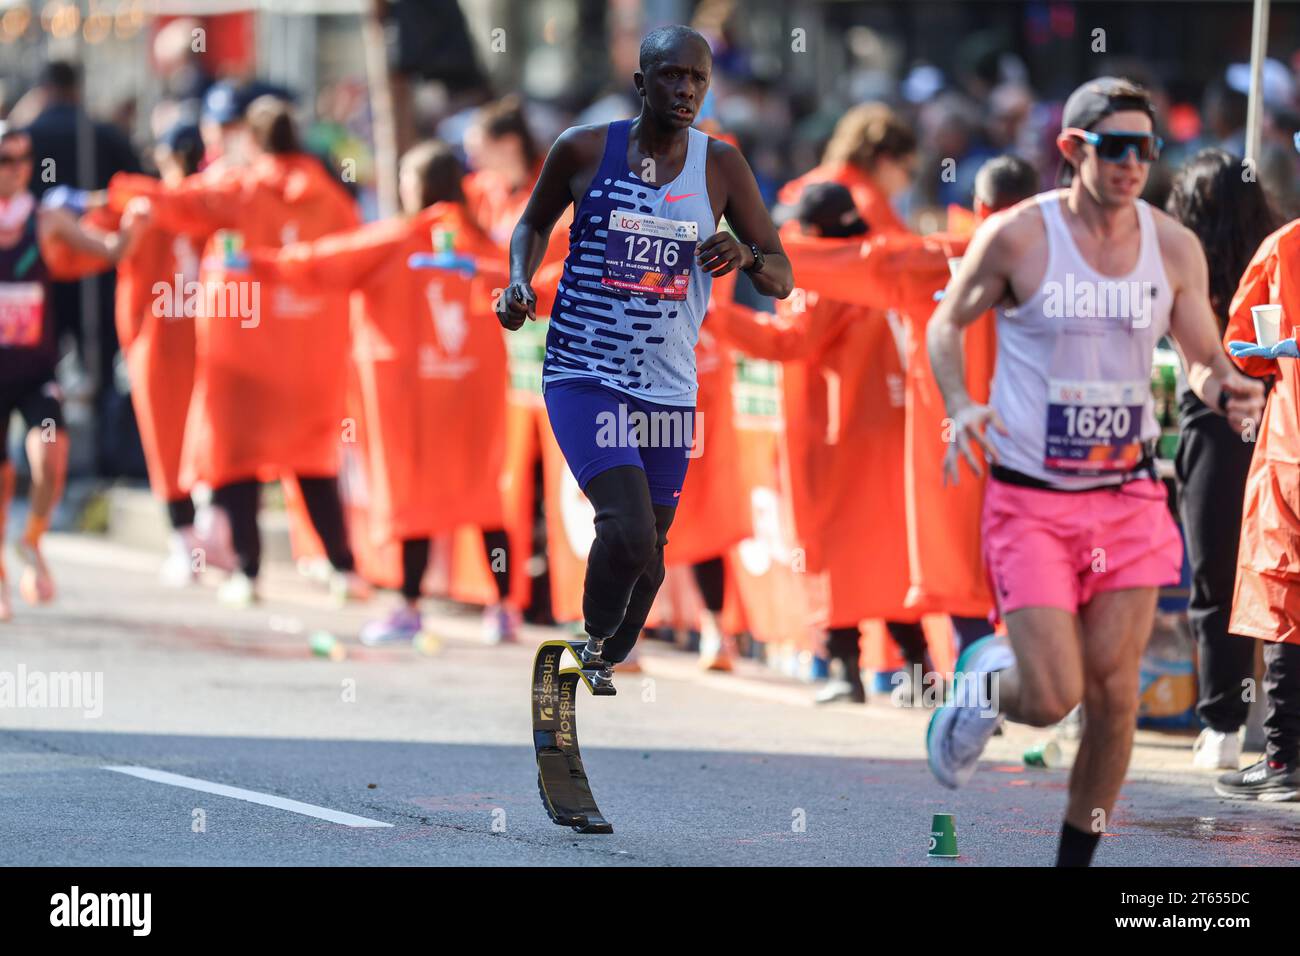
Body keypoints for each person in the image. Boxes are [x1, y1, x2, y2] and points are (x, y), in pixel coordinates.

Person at [925, 78, 1266, 866]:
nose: (1133, 163)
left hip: (1128, 501)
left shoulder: (1170, 246)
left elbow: (1201, 357)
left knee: (1116, 699)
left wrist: (1229, 388)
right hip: (1032, 500)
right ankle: (982, 683)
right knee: (1051, 697)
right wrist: (959, 402)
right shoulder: (1018, 237)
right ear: (1073, 150)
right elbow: (947, 322)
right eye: (1116, 147)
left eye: (1145, 148)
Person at [498, 24, 792, 689]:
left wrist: (743, 255)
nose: (685, 89)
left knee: (652, 557)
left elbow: (781, 273)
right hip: (585, 371)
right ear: (642, 83)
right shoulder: (582, 150)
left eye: (696, 78)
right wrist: (520, 279)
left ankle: (602, 655)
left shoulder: (720, 166)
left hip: (669, 386)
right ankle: (592, 642)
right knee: (626, 530)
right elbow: (532, 223)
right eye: (671, 76)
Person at [246, 140, 519, 646]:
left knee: (413, 494)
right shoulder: (481, 242)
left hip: (411, 395)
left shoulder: (396, 239)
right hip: (470, 390)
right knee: (481, 494)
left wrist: (259, 262)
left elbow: (321, 262)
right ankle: (504, 610)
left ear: (414, 187)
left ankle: (410, 606)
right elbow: (526, 284)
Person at [107, 97, 367, 607]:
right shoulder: (336, 201)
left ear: (251, 140)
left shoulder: (239, 190)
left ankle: (247, 574)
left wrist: (124, 193)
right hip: (312, 357)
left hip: (245, 356)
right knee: (313, 462)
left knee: (235, 460)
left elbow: (179, 202)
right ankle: (344, 570)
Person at [0, 123, 144, 619]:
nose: (14, 169)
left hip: (36, 371)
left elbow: (109, 251)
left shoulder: (47, 220)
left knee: (49, 459)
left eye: (21, 159)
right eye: (4, 159)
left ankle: (32, 538)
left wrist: (136, 224)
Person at [1165, 149, 1279, 769]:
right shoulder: (1277, 255)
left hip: (1214, 428)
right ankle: (1251, 723)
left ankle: (1224, 724)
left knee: (1218, 577)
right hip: (1274, 427)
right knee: (1270, 578)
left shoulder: (1182, 264)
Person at [1218, 210, 1300, 800]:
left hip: (1294, 450)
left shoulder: (1284, 247)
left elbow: (1242, 351)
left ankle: (1283, 760)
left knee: (1285, 601)